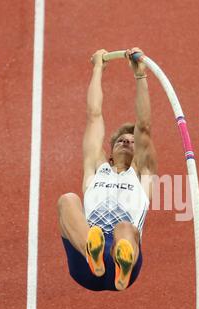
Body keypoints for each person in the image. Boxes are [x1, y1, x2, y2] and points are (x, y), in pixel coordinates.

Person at [57, 47, 157, 292]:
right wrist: (98, 68)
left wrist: (140, 75)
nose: (127, 141)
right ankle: (92, 250)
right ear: (110, 151)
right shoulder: (96, 168)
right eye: (122, 139)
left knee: (125, 227)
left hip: (124, 262)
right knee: (67, 200)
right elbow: (94, 115)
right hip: (85, 264)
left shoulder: (142, 174)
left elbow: (144, 126)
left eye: (132, 141)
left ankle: (121, 261)